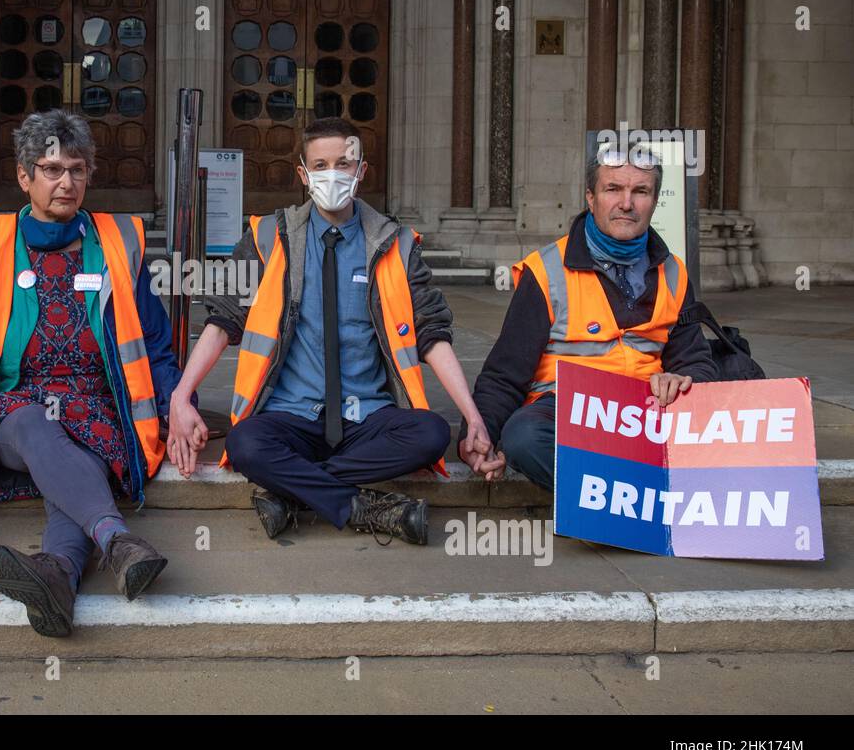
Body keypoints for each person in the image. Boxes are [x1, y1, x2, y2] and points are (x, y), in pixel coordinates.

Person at [0, 110, 187, 638]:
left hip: (99, 407)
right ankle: (119, 541)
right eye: (52, 169)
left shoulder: (118, 241)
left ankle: (57, 574)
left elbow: (152, 342)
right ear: (23, 176)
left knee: (77, 453)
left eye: (77, 170)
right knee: (38, 424)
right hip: (18, 408)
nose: (67, 182)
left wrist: (177, 405)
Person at [167, 116, 495, 546]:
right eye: (320, 165)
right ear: (303, 175)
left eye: (344, 163)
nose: (333, 174)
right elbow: (224, 318)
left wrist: (472, 418)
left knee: (431, 434)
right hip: (291, 415)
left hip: (368, 417)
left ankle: (294, 494)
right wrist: (180, 395)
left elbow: (431, 331)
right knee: (247, 443)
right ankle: (362, 506)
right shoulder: (267, 237)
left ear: (361, 171)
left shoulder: (395, 243)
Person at [459, 141, 717, 488]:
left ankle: (620, 492)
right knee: (523, 437)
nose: (627, 203)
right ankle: (641, 494)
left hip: (644, 414)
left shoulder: (673, 272)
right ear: (591, 198)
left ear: (655, 201)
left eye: (640, 191)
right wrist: (479, 433)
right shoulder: (546, 270)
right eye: (613, 189)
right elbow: (505, 375)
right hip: (568, 413)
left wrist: (683, 379)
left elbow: (695, 360)